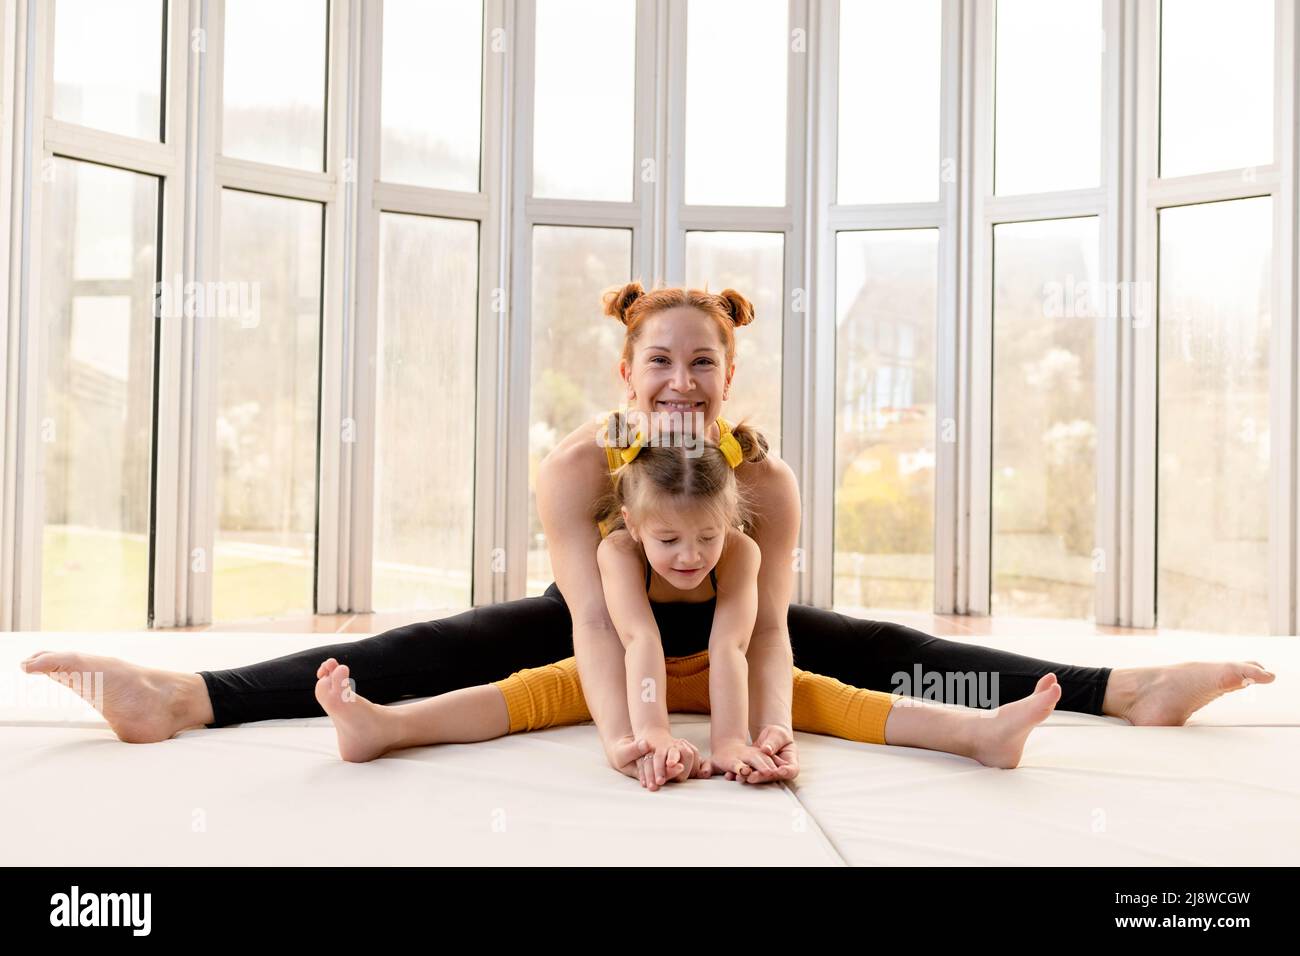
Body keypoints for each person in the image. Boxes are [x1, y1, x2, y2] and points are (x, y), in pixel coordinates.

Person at [19, 282, 1276, 787]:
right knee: (438, 644)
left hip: (726, 614)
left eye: (704, 361)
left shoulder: (762, 483)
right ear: (627, 365)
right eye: (659, 360)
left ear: (729, 371)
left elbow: (767, 622)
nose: (682, 379)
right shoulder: (581, 468)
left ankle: (1130, 686)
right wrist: (631, 733)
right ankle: (184, 696)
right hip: (612, 616)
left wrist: (753, 723)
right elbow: (588, 614)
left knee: (882, 647)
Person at [309, 414, 1065, 789]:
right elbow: (632, 644)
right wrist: (645, 737)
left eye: (703, 539)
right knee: (521, 695)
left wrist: (735, 740)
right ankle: (383, 727)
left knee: (834, 700)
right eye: (668, 542)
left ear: (728, 523)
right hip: (632, 677)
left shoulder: (739, 552)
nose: (689, 558)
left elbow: (738, 646)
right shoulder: (615, 551)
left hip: (712, 669)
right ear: (634, 526)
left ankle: (980, 735)